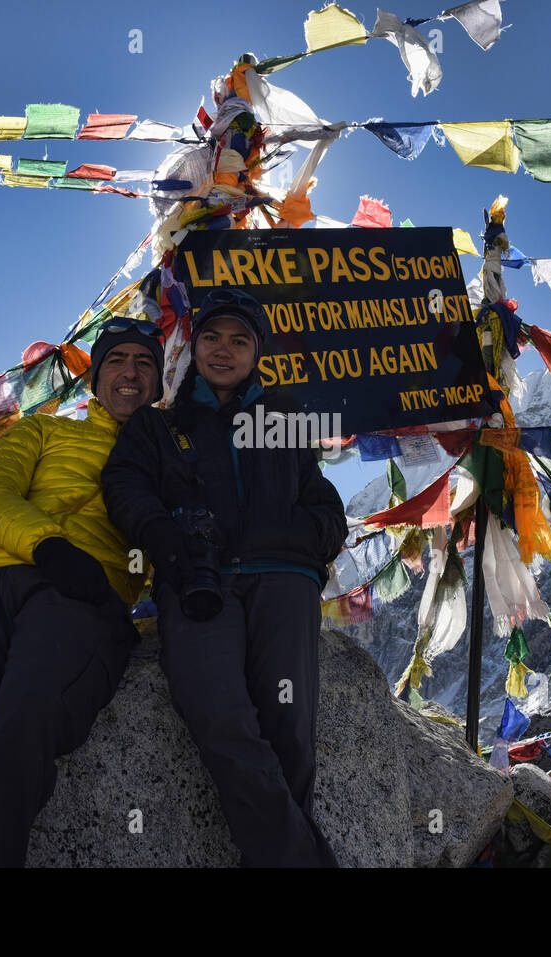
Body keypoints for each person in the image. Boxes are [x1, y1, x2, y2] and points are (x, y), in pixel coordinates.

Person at [0, 320, 164, 867]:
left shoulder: (173, 462)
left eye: (145, 362)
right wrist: (48, 546)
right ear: (95, 380)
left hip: (83, 599)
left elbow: (174, 548)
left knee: (25, 722)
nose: (130, 372)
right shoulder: (41, 432)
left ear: (159, 383)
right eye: (117, 360)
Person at [103, 288, 347, 867]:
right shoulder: (157, 428)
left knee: (289, 728)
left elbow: (326, 506)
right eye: (212, 337)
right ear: (193, 346)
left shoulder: (284, 420)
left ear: (254, 353)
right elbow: (125, 488)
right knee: (216, 711)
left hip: (283, 581)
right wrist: (166, 541)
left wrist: (304, 543)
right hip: (196, 582)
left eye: (239, 341)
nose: (223, 350)